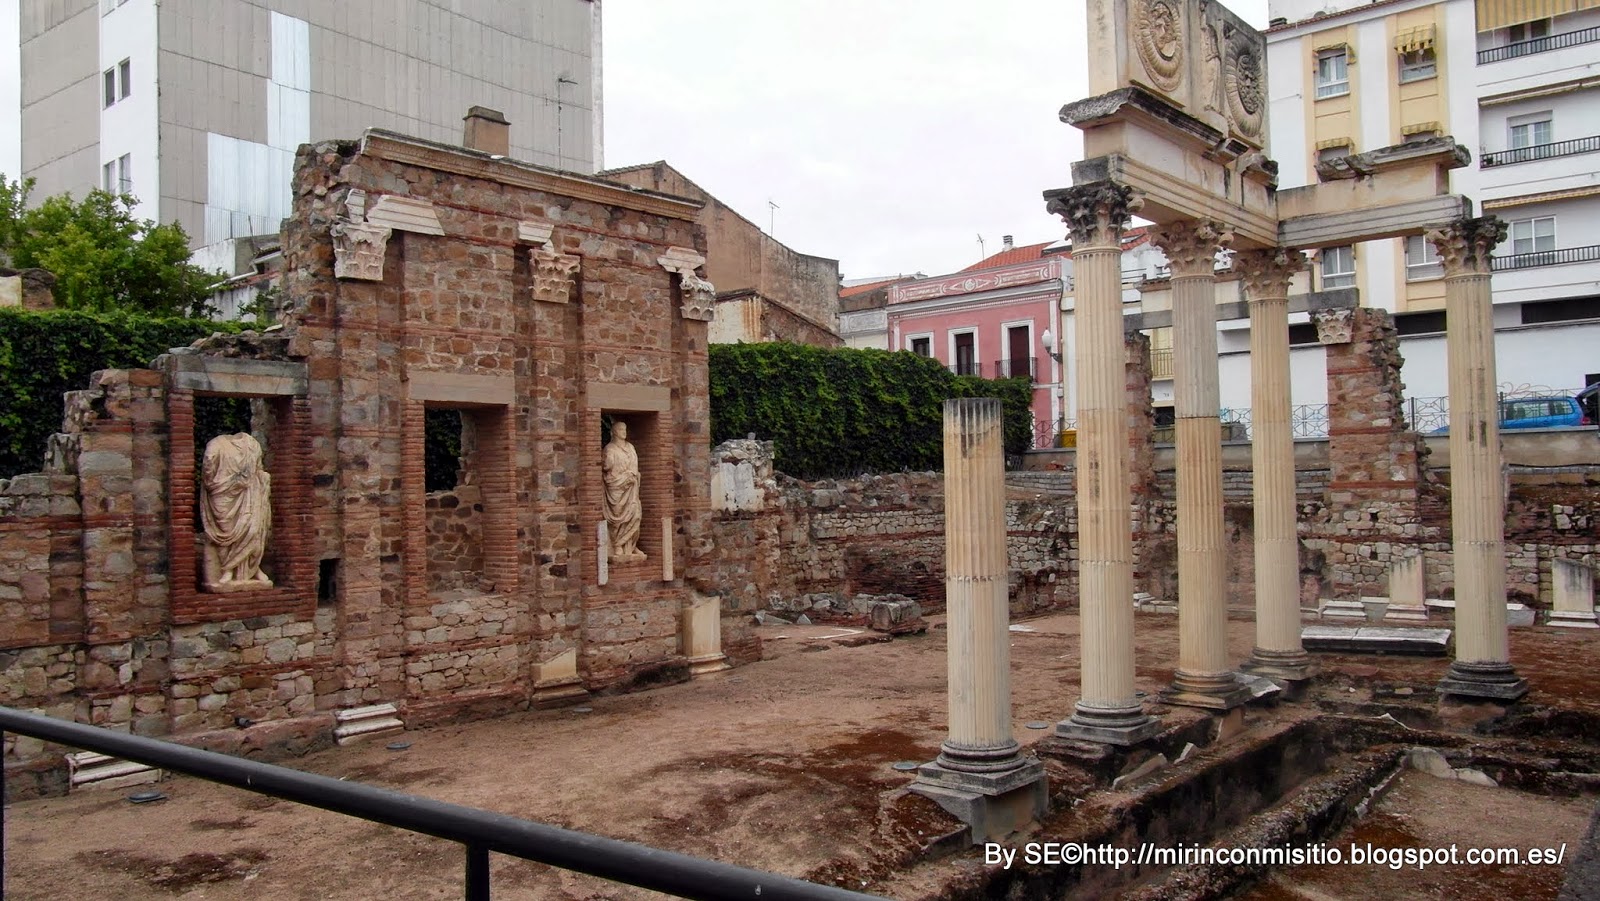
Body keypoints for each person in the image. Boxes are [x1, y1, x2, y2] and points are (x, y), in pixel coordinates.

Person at [201, 433, 274, 591]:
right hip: (221, 491)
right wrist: (215, 483)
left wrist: (263, 479)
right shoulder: (215, 444)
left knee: (253, 530)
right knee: (223, 532)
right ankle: (227, 569)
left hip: (248, 491)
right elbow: (208, 466)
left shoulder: (251, 444)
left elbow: (258, 468)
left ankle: (253, 569)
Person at [603, 421, 646, 561]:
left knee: (635, 515)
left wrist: (633, 476)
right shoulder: (610, 448)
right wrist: (607, 460)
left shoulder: (630, 447)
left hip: (631, 487)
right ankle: (617, 545)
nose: (624, 431)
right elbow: (606, 467)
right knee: (617, 517)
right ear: (614, 431)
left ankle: (631, 545)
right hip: (616, 486)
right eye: (621, 429)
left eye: (625, 429)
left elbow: (635, 465)